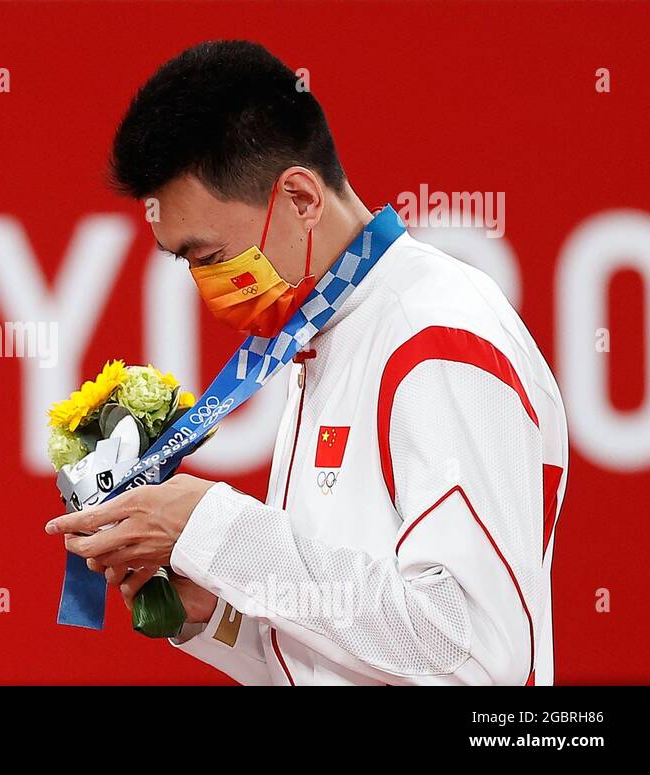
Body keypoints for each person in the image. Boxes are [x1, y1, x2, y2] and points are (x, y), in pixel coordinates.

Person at [46, 40, 568, 685]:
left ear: (300, 197)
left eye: (207, 254)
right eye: (185, 262)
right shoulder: (335, 338)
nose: (203, 282)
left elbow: (470, 653)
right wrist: (216, 615)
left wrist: (215, 528)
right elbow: (357, 655)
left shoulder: (435, 341)